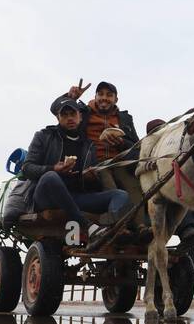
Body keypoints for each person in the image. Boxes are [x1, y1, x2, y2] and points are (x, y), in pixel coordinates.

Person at [22, 101, 129, 238]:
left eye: (73, 114)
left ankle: (112, 231)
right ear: (58, 118)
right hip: (45, 195)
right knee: (51, 176)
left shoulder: (88, 145)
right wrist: (54, 168)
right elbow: (27, 168)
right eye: (64, 115)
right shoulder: (44, 136)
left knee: (120, 195)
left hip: (76, 196)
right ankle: (87, 226)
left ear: (80, 117)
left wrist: (91, 178)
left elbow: (93, 185)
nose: (69, 118)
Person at [50, 80, 149, 227]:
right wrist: (71, 97)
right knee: (110, 186)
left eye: (109, 95)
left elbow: (136, 146)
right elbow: (55, 109)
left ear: (116, 99)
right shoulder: (83, 112)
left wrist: (121, 143)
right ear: (95, 97)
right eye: (100, 94)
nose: (104, 98)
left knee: (133, 185)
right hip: (95, 162)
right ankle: (116, 228)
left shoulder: (125, 118)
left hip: (119, 162)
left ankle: (141, 227)